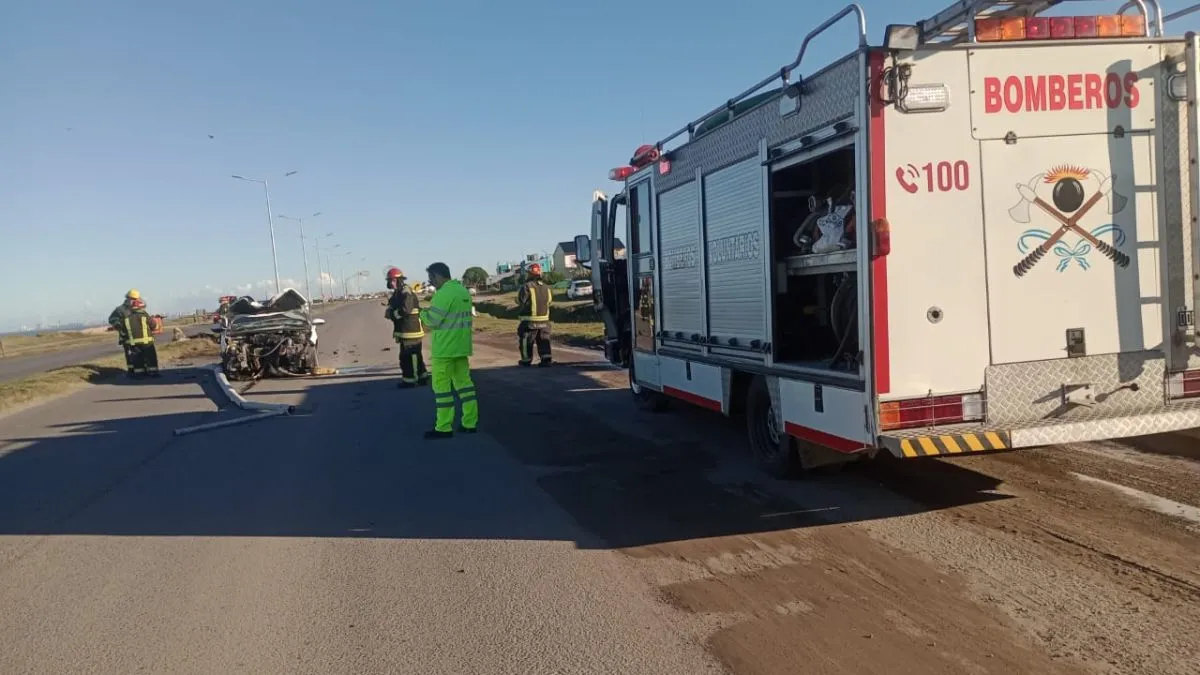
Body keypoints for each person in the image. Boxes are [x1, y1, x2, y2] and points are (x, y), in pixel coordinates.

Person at [418, 262, 478, 439]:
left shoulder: (443, 294)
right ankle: (470, 423)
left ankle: (443, 427)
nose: (431, 282)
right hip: (462, 347)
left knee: (442, 390)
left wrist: (421, 313)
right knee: (465, 386)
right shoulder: (462, 291)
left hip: (444, 350)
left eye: (431, 278)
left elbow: (432, 321)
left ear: (437, 275)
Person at [384, 267, 430, 388]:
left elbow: (406, 309)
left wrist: (391, 314)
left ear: (399, 280)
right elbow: (395, 305)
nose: (391, 283)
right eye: (390, 281)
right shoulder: (399, 292)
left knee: (408, 357)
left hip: (411, 331)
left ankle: (411, 381)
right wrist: (390, 309)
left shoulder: (406, 291)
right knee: (414, 356)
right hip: (407, 331)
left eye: (393, 280)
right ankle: (422, 377)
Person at [108, 290, 160, 377]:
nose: (135, 300)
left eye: (136, 298)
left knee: (141, 355)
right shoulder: (120, 309)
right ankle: (132, 372)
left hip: (137, 338)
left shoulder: (138, 307)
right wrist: (119, 326)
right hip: (126, 337)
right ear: (128, 298)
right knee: (132, 356)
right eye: (133, 298)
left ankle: (144, 371)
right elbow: (112, 319)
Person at [516, 262, 553, 367]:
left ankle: (526, 359)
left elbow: (520, 301)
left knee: (526, 340)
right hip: (545, 321)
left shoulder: (526, 286)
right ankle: (546, 359)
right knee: (544, 340)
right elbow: (549, 302)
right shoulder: (547, 287)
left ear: (529, 274)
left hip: (529, 321)